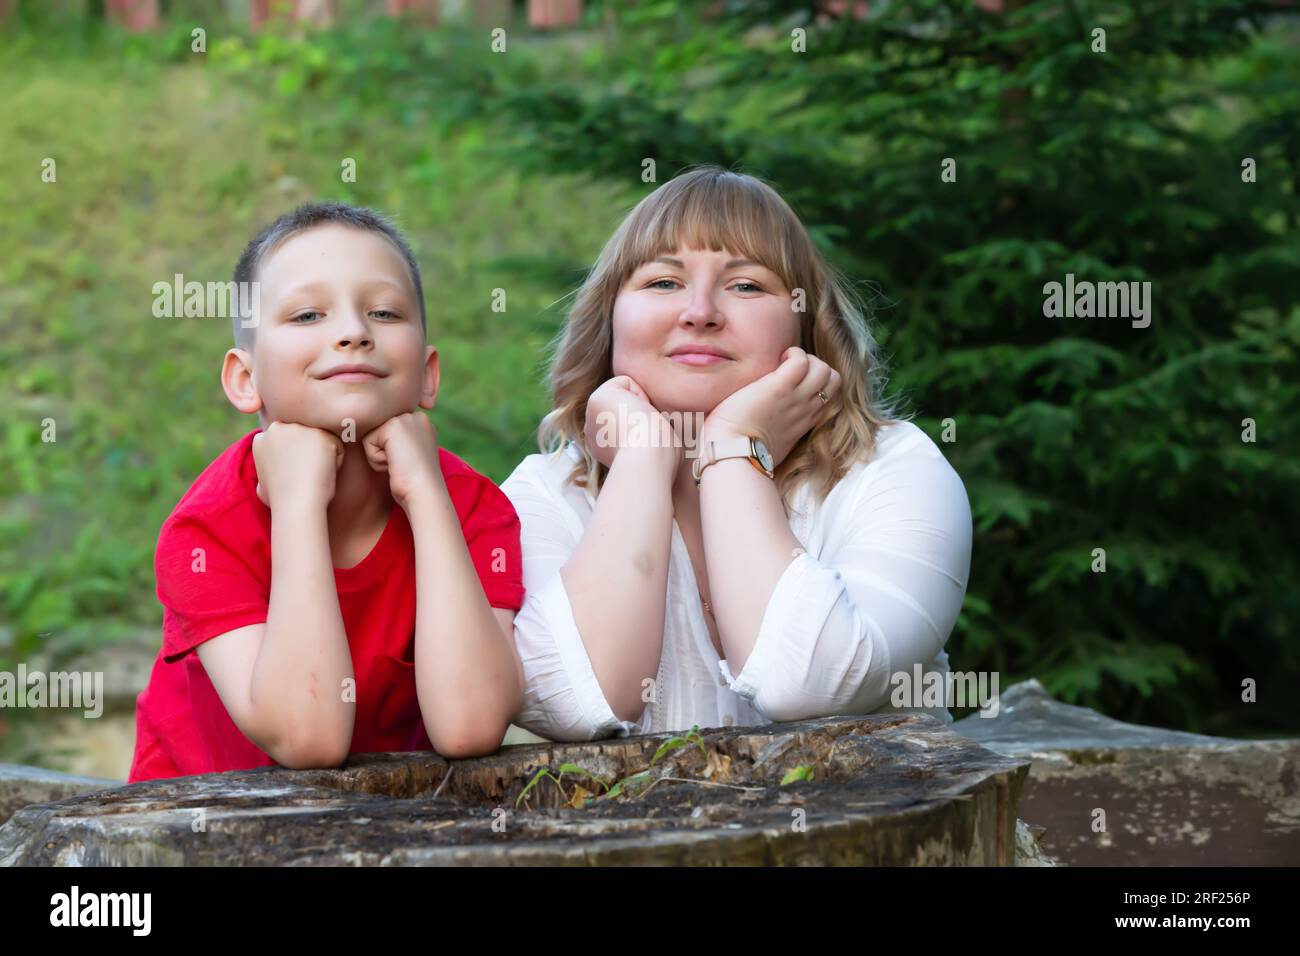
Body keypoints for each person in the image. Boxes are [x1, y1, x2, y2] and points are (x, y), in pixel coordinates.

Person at [501, 167, 972, 741]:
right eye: (662, 283)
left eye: (746, 285)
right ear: (609, 322)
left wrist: (733, 448)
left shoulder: (894, 469)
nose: (699, 312)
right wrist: (645, 457)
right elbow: (578, 705)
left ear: (805, 327)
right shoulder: (546, 495)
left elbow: (806, 683)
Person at [128, 202, 524, 782]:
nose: (353, 332)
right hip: (194, 833)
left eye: (384, 312)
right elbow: (308, 736)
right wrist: (297, 505)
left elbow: (471, 725)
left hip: (390, 833)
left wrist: (425, 496)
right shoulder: (207, 531)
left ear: (428, 374)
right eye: (309, 314)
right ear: (245, 379)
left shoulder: (473, 511)